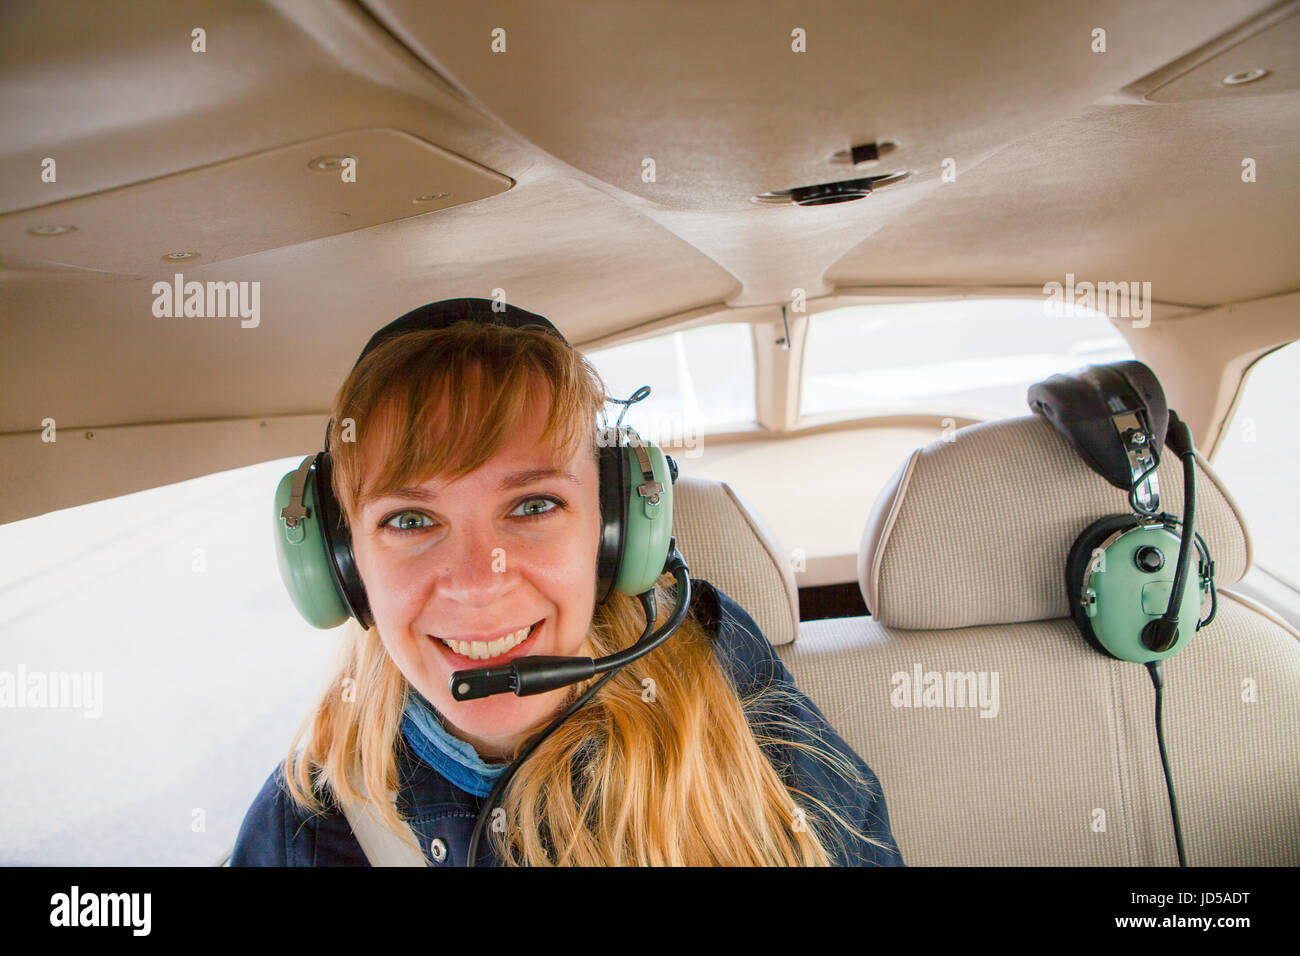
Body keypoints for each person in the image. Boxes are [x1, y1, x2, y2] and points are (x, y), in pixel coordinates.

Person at [231, 298, 904, 866]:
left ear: (614, 535)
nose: (476, 582)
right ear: (341, 565)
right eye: (411, 519)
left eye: (532, 506)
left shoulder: (727, 688)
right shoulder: (310, 829)